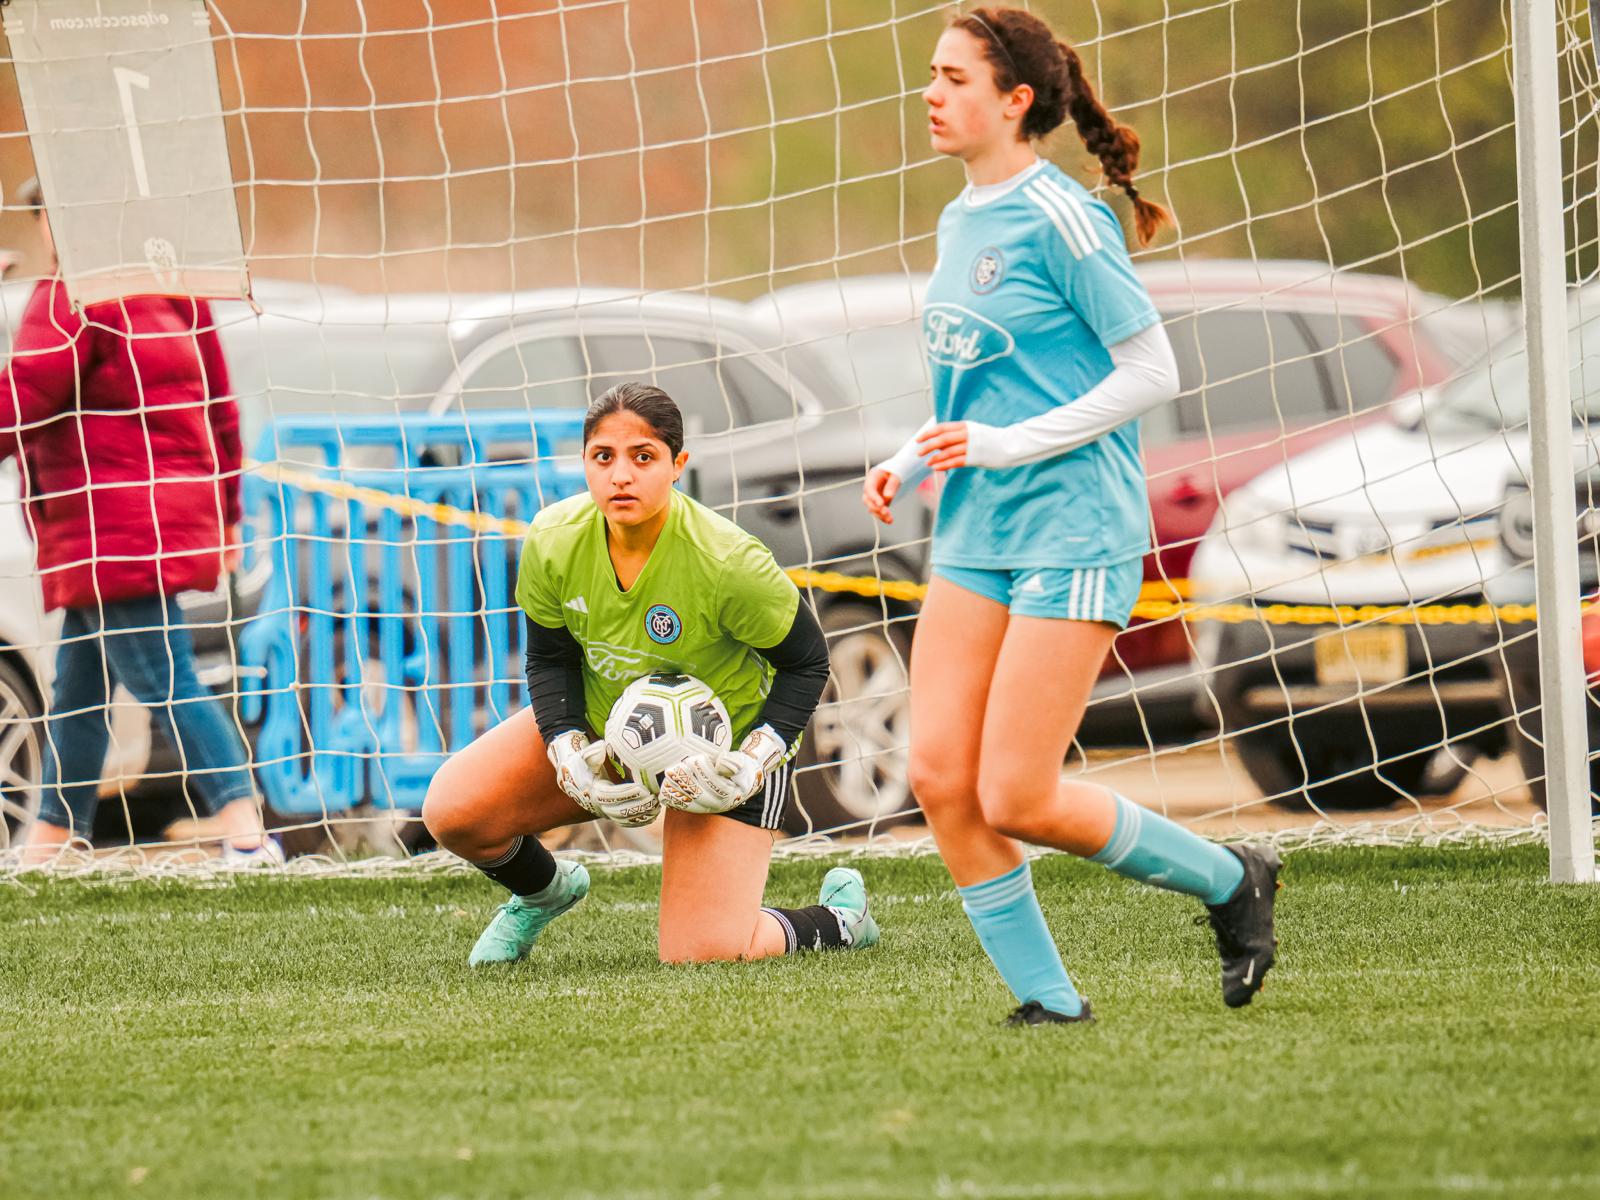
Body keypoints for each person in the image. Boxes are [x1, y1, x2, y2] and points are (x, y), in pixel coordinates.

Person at [863, 7, 1280, 1025]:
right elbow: (988, 391)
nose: (930, 93)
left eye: (954, 78)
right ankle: (1050, 1003)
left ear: (1014, 102)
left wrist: (1011, 446)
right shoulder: (959, 219)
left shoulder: (1063, 217)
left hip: (1072, 530)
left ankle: (1230, 879)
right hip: (974, 531)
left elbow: (1151, 371)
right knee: (937, 776)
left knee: (1019, 795)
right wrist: (915, 449)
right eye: (931, 73)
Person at [422, 382, 877, 966]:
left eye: (643, 457)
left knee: (703, 952)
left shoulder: (728, 562)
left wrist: (751, 762)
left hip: (722, 753)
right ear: (584, 462)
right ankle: (543, 892)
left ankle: (839, 921)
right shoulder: (554, 541)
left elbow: (808, 663)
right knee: (453, 812)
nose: (621, 476)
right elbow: (551, 659)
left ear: (677, 465)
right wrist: (567, 751)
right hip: (607, 733)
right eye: (603, 457)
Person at [3, 177, 274, 864]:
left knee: (165, 678)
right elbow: (223, 410)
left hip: (106, 530)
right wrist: (229, 514)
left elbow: (21, 400)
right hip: (154, 524)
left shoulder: (72, 296)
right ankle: (51, 838)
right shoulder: (175, 289)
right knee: (80, 687)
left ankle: (245, 830)